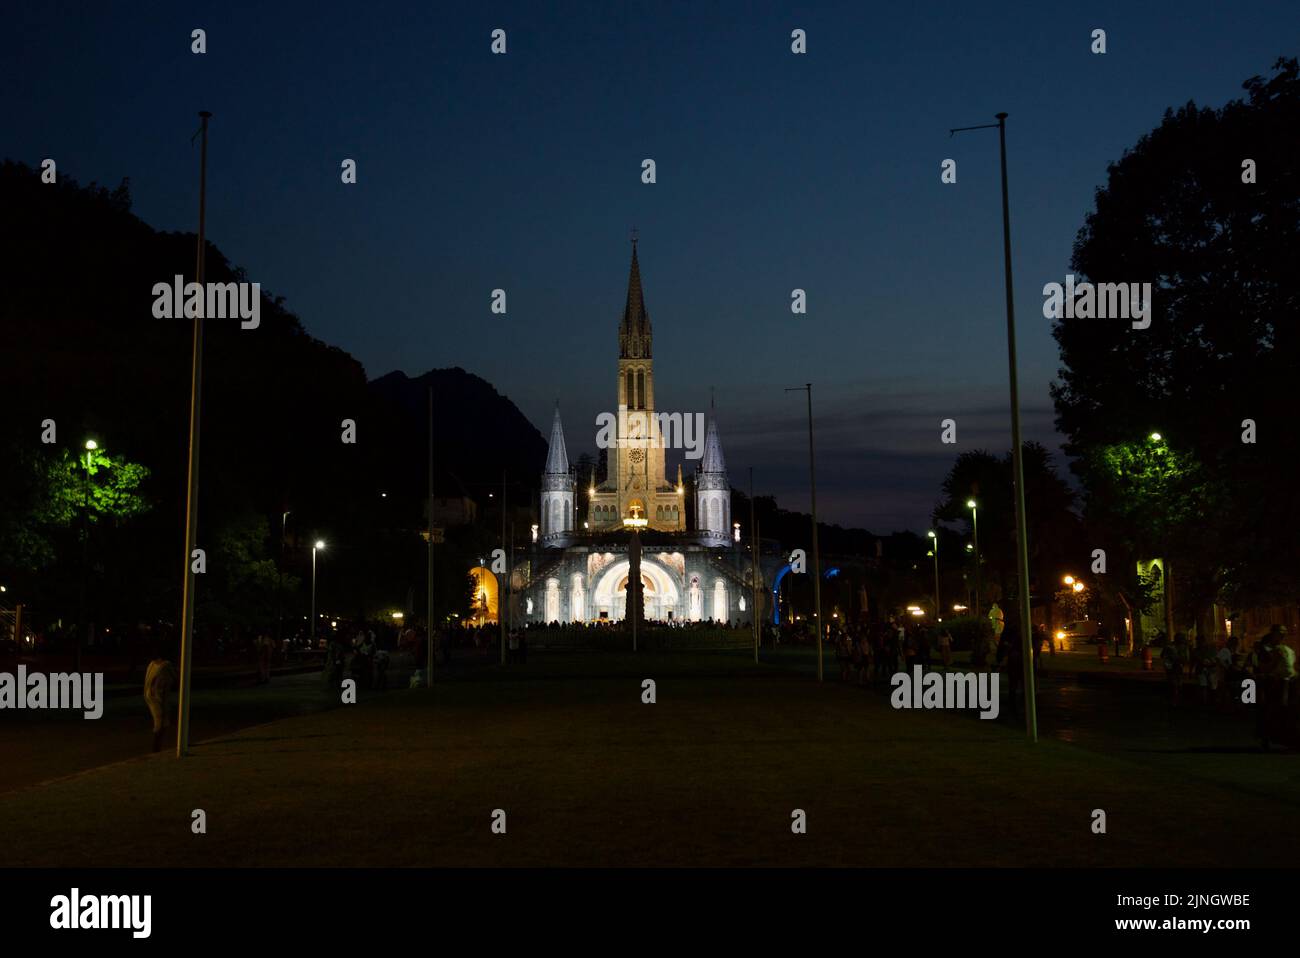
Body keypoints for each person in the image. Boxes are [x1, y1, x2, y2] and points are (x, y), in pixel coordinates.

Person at [143, 657, 177, 752]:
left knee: (161, 722)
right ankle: (156, 748)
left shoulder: (152, 665)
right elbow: (173, 678)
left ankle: (157, 747)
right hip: (156, 696)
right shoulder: (166, 666)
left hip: (151, 695)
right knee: (160, 723)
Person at [1161, 632, 1190, 705]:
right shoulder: (1170, 647)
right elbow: (1163, 655)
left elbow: (1185, 658)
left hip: (1176, 666)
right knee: (1174, 683)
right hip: (1172, 666)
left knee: (1177, 682)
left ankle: (1176, 698)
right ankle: (1174, 698)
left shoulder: (1181, 647)